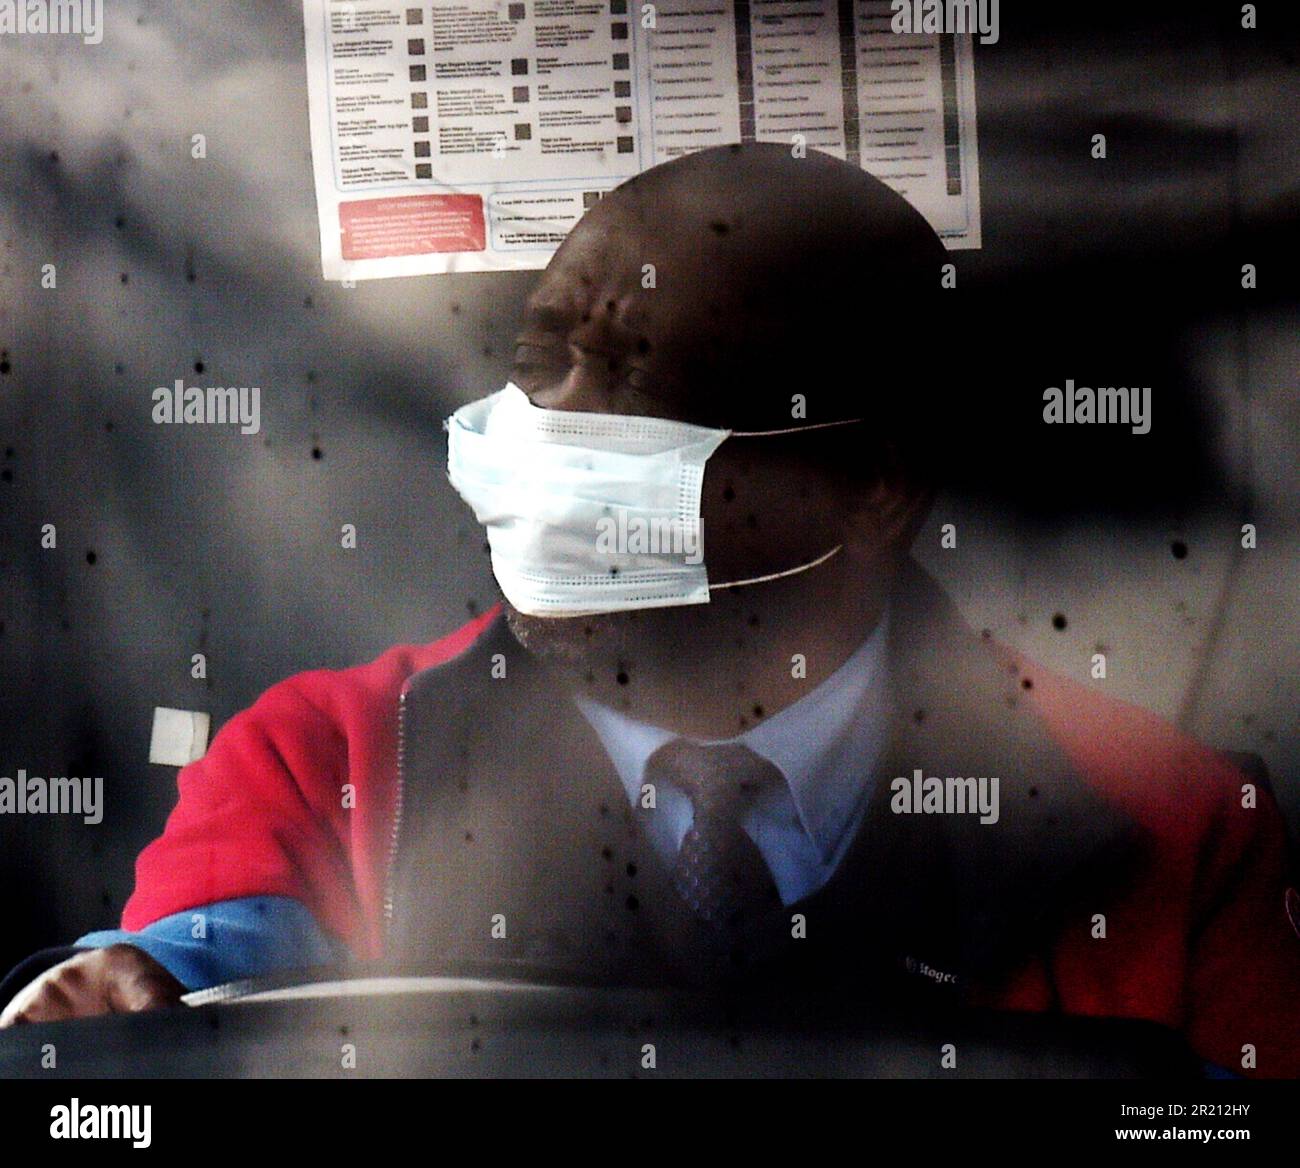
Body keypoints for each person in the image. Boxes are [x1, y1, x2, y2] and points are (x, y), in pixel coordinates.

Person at [2, 144, 1297, 1079]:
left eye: (641, 388)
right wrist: (138, 1009)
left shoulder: (1171, 836)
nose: (547, 430)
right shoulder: (322, 764)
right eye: (536, 359)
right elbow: (193, 986)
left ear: (872, 483)